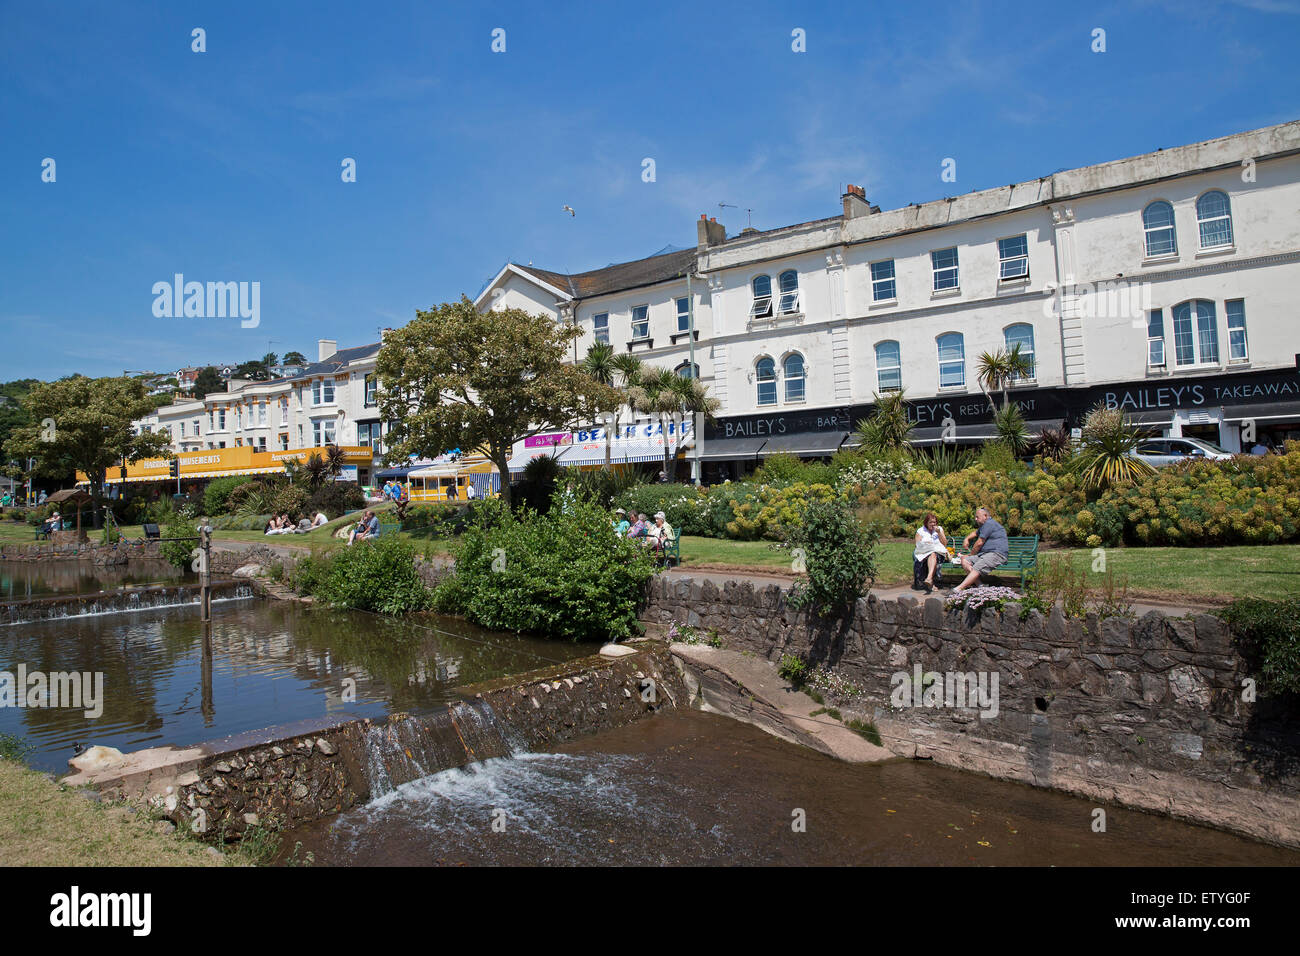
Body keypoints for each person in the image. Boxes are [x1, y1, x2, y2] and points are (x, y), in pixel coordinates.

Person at [954, 507, 1009, 592]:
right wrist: (966, 539)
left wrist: (971, 554)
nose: (975, 519)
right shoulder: (985, 526)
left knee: (977, 566)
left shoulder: (989, 524)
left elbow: (979, 543)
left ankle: (959, 588)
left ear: (985, 516)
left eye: (977, 517)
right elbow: (975, 533)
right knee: (964, 560)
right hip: (985, 554)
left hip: (996, 554)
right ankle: (980, 586)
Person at [913, 512, 949, 593]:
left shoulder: (939, 529)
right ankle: (930, 581)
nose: (933, 524)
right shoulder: (920, 531)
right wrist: (926, 544)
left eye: (934, 522)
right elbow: (917, 544)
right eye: (931, 522)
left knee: (933, 554)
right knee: (931, 554)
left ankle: (929, 579)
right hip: (923, 552)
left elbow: (944, 543)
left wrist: (939, 533)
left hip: (938, 552)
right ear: (926, 522)